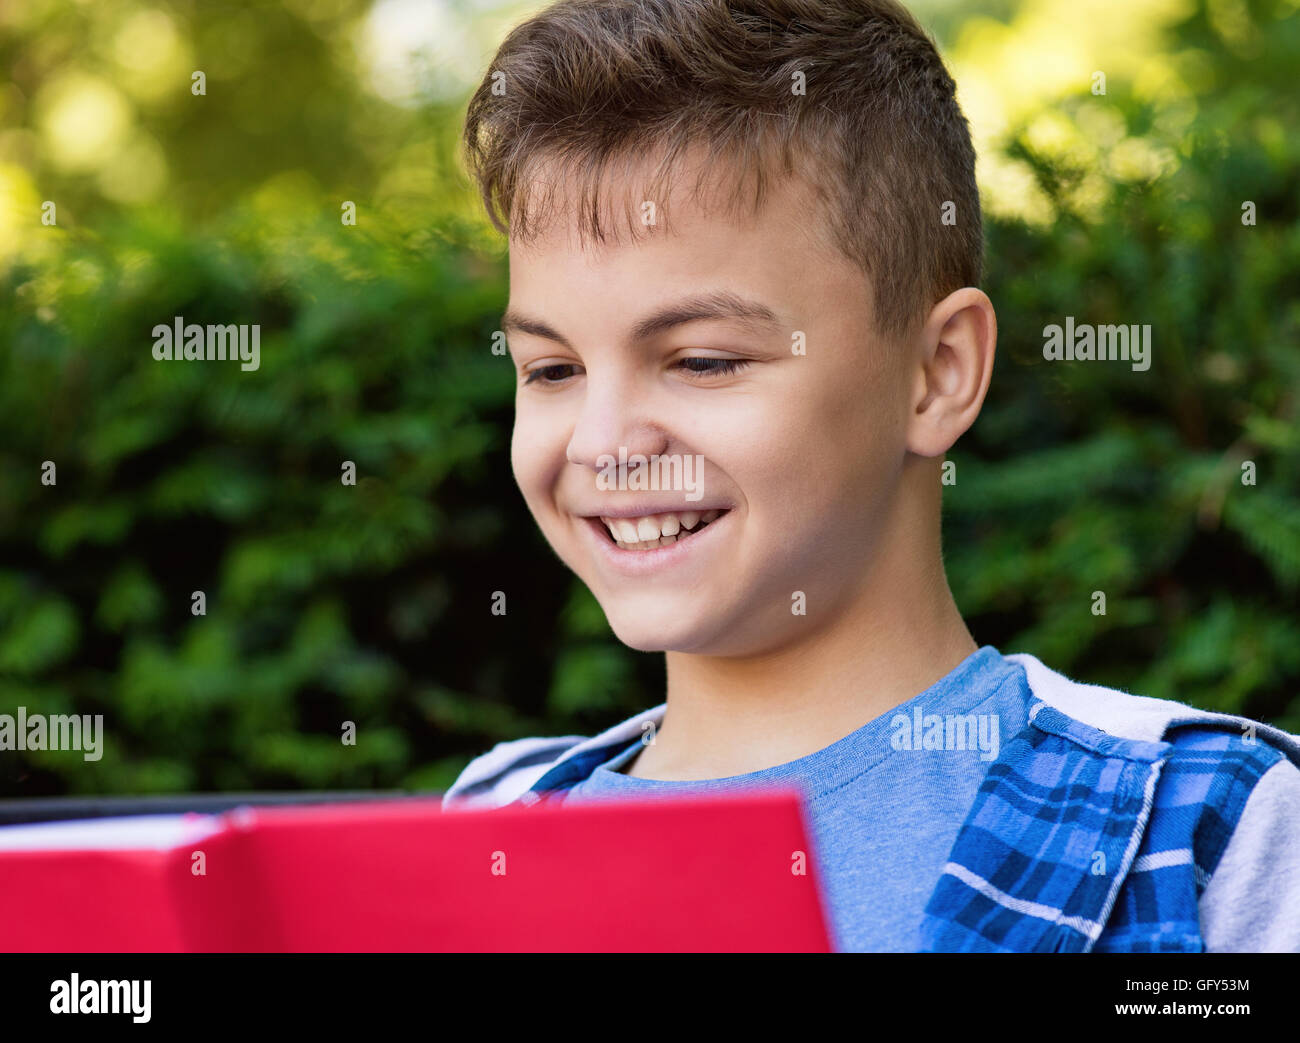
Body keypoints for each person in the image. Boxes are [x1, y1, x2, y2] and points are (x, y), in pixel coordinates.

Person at [441, 0, 1300, 952]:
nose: (604, 442)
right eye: (553, 370)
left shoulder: (1203, 835)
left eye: (704, 360)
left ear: (937, 373)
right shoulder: (482, 833)